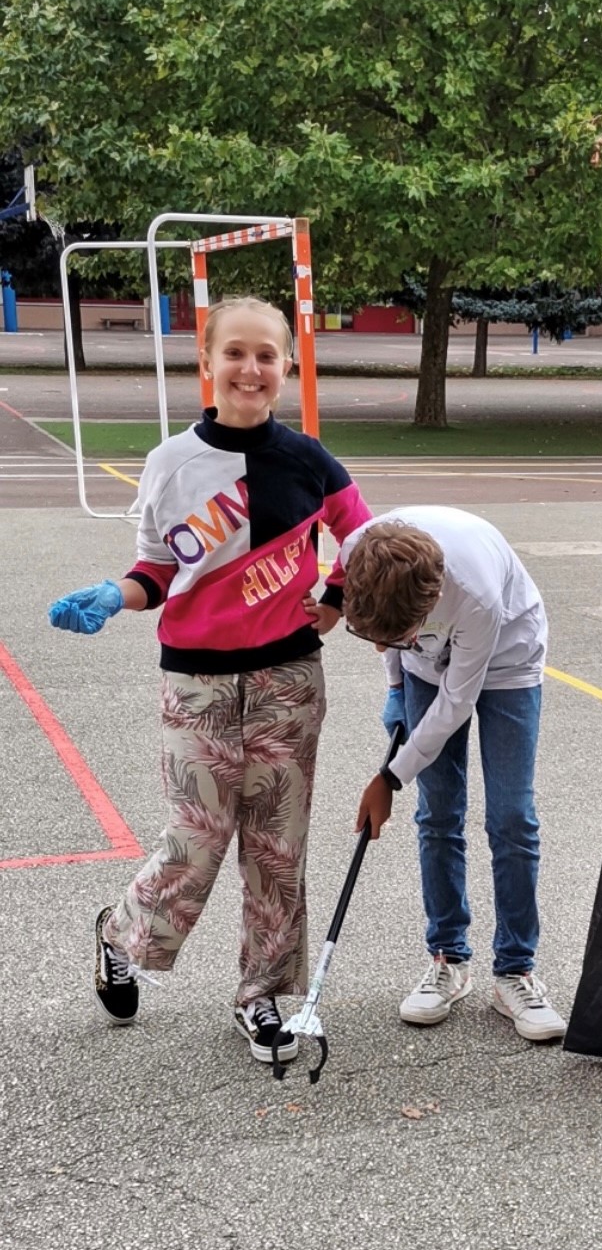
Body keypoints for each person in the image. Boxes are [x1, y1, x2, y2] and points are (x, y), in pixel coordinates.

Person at [49, 295, 373, 1064]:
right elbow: (157, 569)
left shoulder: (309, 460)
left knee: (277, 847)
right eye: (235, 352)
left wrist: (334, 598)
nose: (250, 368)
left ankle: (261, 996)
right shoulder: (171, 463)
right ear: (206, 362)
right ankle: (121, 932)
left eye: (266, 355)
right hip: (197, 684)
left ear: (286, 366)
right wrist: (118, 594)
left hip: (288, 679)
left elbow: (364, 535)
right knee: (197, 837)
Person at [326, 506, 566, 1043]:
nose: (387, 642)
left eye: (402, 632)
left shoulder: (476, 594)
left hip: (507, 658)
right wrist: (396, 685)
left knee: (511, 817)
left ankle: (515, 971)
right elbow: (385, 634)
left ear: (432, 600)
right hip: (425, 663)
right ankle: (447, 958)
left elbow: (457, 701)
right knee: (437, 812)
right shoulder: (357, 551)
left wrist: (391, 776)